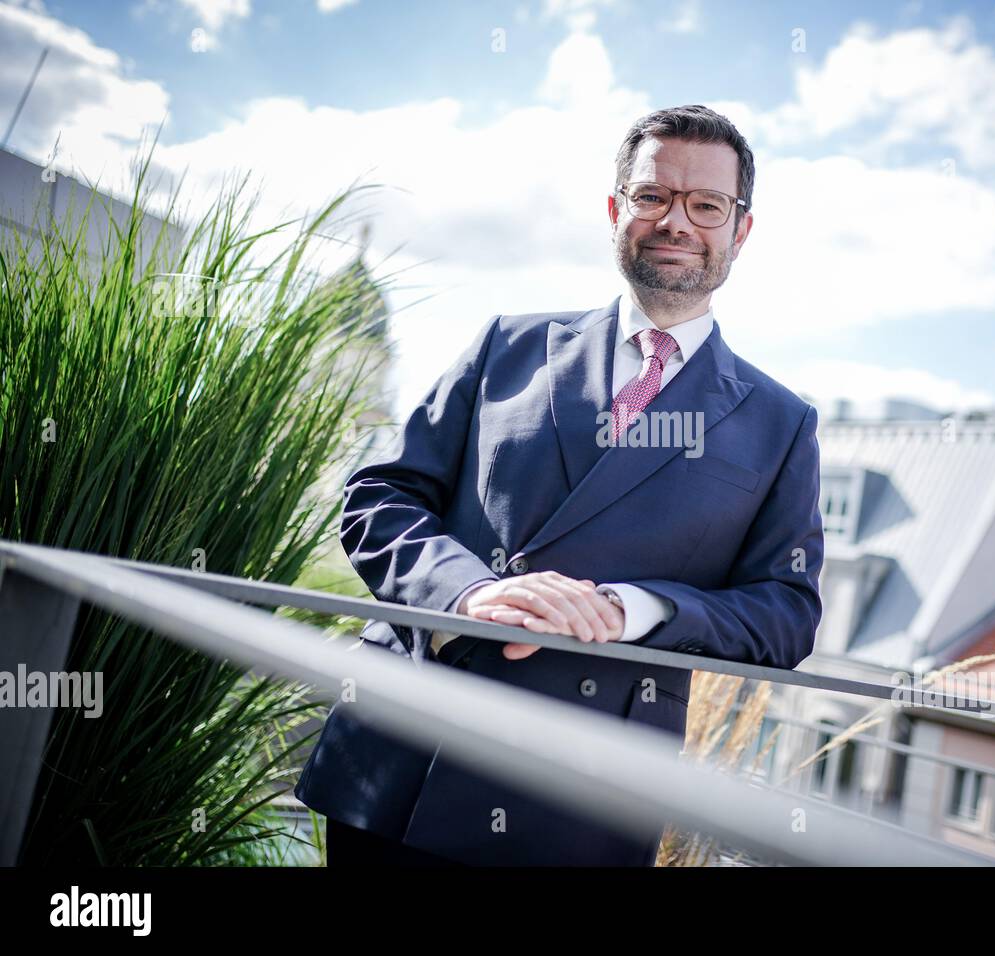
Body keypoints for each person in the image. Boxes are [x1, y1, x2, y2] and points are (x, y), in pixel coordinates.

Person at [295, 104, 825, 866]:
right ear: (616, 211)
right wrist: (468, 595)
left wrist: (629, 609)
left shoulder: (782, 423)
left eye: (706, 205)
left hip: (582, 789)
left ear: (740, 230)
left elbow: (787, 610)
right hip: (408, 739)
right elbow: (379, 497)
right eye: (652, 197)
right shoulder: (506, 344)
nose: (676, 221)